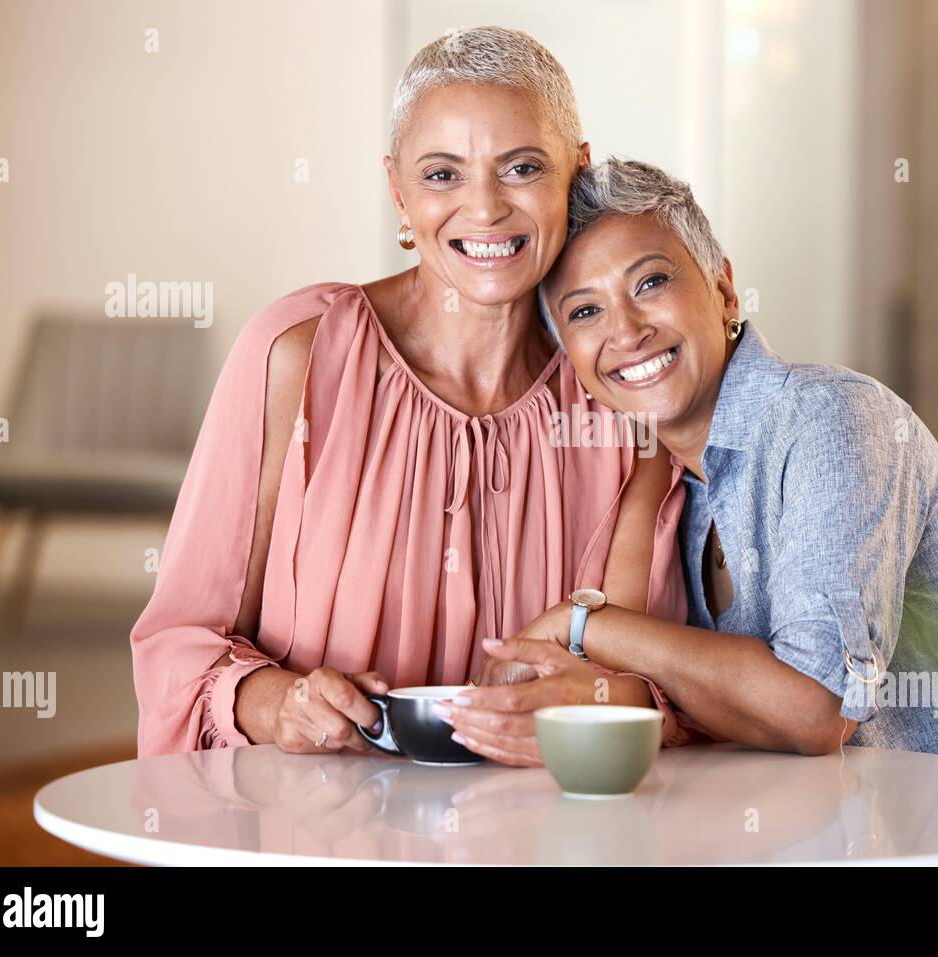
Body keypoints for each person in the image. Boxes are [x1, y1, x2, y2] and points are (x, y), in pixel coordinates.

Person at [130, 31, 688, 760]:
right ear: (398, 189)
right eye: (442, 175)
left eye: (521, 168)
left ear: (575, 174)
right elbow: (179, 641)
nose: (485, 209)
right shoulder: (297, 356)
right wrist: (278, 704)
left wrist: (603, 697)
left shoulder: (620, 391)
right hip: (321, 834)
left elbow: (666, 681)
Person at [448, 158, 938, 773]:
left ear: (722, 289)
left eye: (650, 283)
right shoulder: (674, 488)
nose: (627, 330)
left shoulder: (832, 419)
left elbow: (816, 709)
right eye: (585, 312)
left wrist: (580, 624)